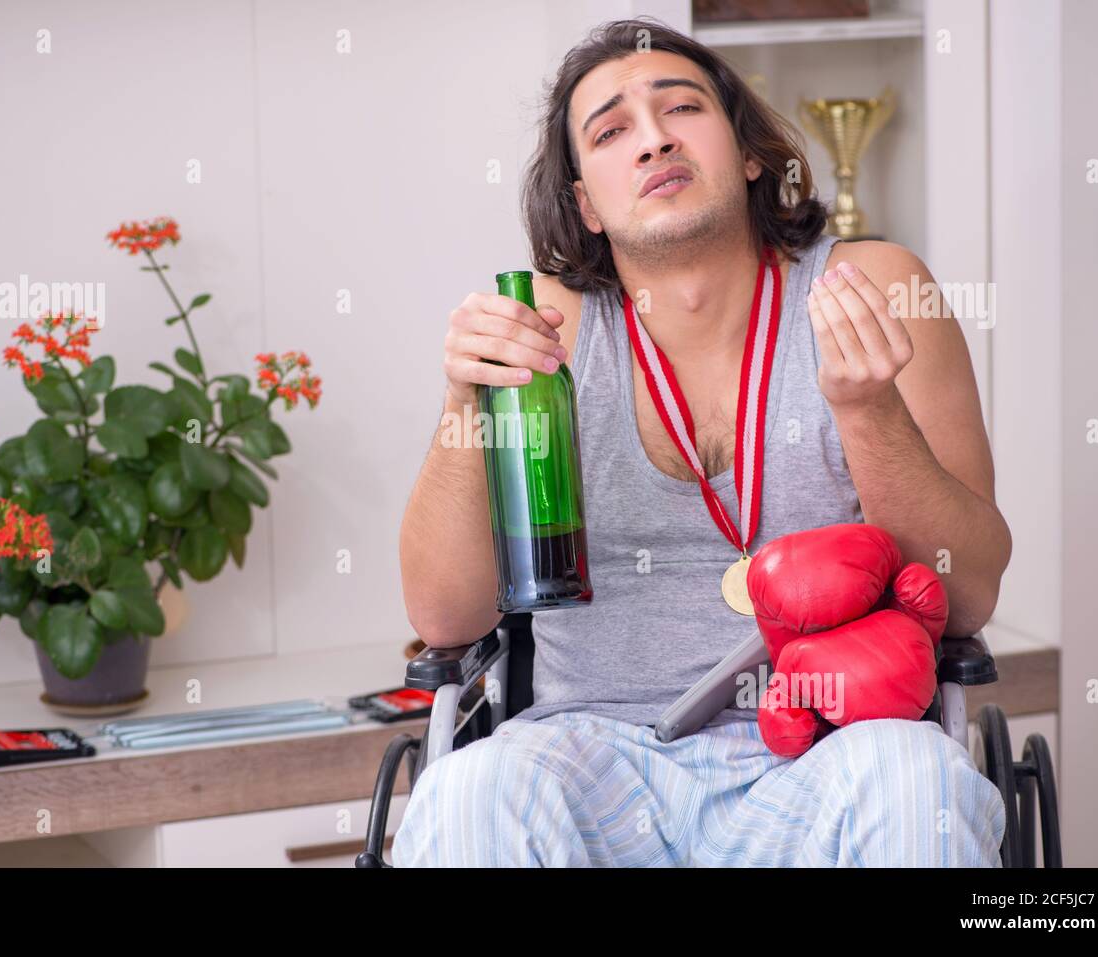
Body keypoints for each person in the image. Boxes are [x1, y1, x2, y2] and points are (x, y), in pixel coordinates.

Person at [393, 17, 1010, 867]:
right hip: (592, 755)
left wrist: (870, 415)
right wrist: (466, 403)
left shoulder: (872, 288)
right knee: (468, 791)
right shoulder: (546, 328)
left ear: (750, 153)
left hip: (827, 749)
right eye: (611, 130)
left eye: (681, 108)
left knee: (921, 784)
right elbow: (443, 617)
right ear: (586, 204)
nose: (652, 140)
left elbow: (967, 593)